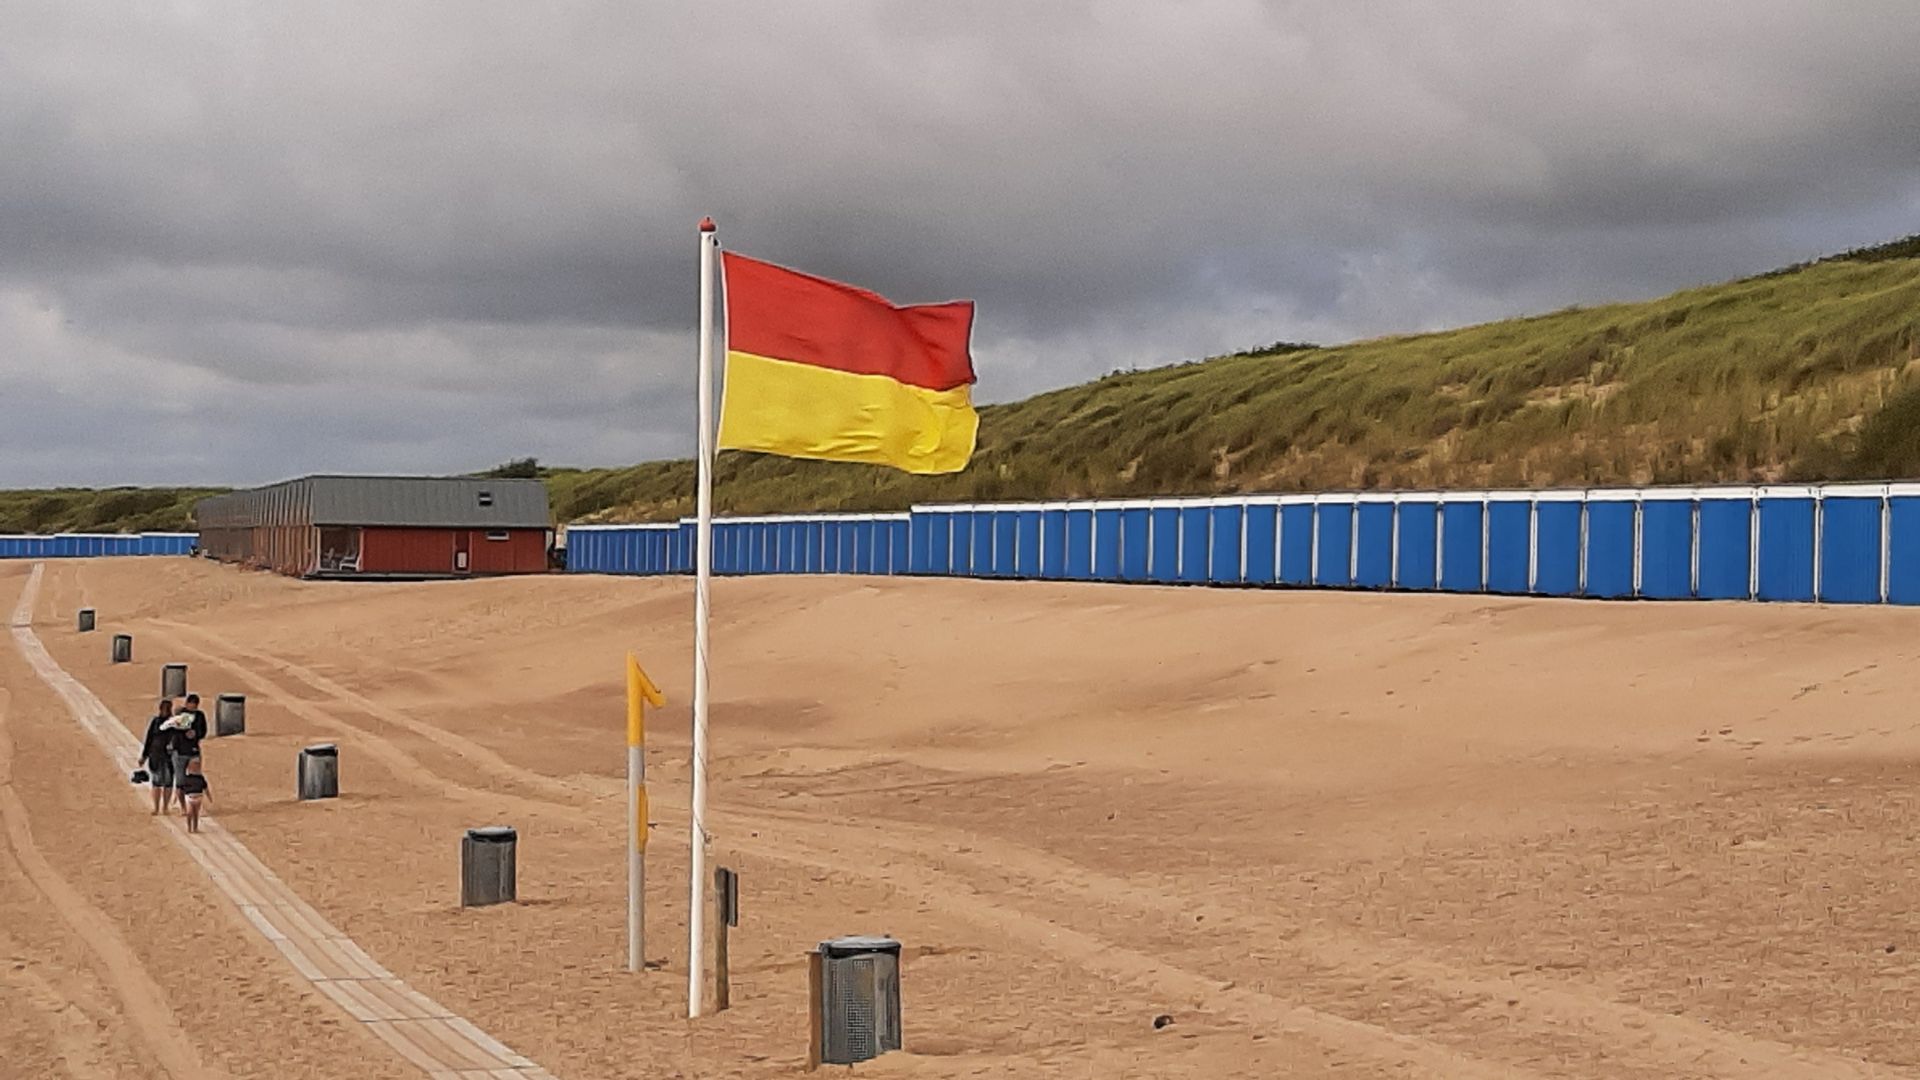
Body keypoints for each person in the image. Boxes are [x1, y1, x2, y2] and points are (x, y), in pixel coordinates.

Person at [139, 699, 178, 815]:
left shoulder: (174, 723)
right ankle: (156, 807)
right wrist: (144, 756)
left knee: (168, 783)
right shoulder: (155, 722)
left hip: (169, 757)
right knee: (156, 782)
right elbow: (149, 739)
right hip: (155, 755)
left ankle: (165, 807)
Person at [170, 694, 208, 789]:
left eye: (194, 705)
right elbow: (176, 730)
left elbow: (203, 731)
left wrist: (196, 734)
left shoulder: (199, 715)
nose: (192, 707)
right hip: (180, 751)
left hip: (193, 750)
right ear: (187, 704)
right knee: (180, 780)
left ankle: (191, 799)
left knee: (194, 778)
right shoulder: (182, 714)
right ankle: (181, 801)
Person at [177, 758, 212, 834]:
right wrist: (175, 798)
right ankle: (189, 827)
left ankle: (195, 827)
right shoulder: (186, 778)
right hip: (189, 797)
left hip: (198, 796)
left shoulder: (200, 778)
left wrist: (209, 797)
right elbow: (181, 789)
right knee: (189, 813)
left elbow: (205, 788)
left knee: (196, 813)